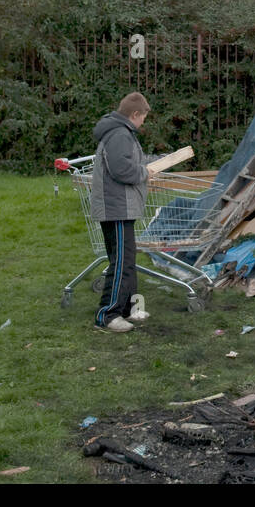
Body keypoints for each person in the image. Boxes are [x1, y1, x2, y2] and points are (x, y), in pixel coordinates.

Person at [90, 92, 153, 333]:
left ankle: (128, 308)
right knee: (121, 263)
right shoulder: (119, 134)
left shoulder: (123, 133)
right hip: (116, 209)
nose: (144, 122)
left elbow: (132, 162)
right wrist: (145, 173)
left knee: (128, 259)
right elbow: (122, 169)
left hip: (121, 208)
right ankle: (107, 315)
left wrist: (154, 163)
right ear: (135, 114)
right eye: (143, 117)